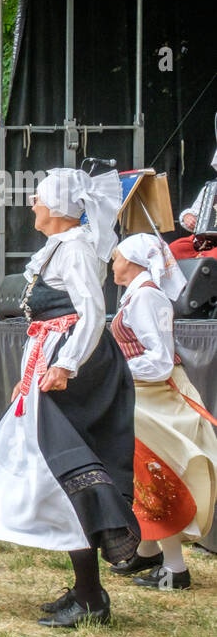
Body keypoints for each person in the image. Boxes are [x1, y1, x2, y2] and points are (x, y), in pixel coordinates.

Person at [0, 168, 139, 628]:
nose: (32, 206)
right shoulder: (62, 248)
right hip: (55, 359)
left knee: (58, 472)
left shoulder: (76, 249)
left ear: (58, 206)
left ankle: (90, 597)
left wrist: (66, 365)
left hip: (73, 368)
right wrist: (40, 368)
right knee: (50, 474)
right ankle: (87, 590)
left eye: (38, 199)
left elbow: (91, 312)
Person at [105, 234, 217, 590]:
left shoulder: (147, 298)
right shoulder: (138, 295)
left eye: (117, 257)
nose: (112, 264)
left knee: (158, 475)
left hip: (155, 397)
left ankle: (174, 569)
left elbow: (160, 361)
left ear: (135, 261)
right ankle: (149, 549)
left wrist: (116, 370)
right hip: (143, 395)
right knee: (144, 474)